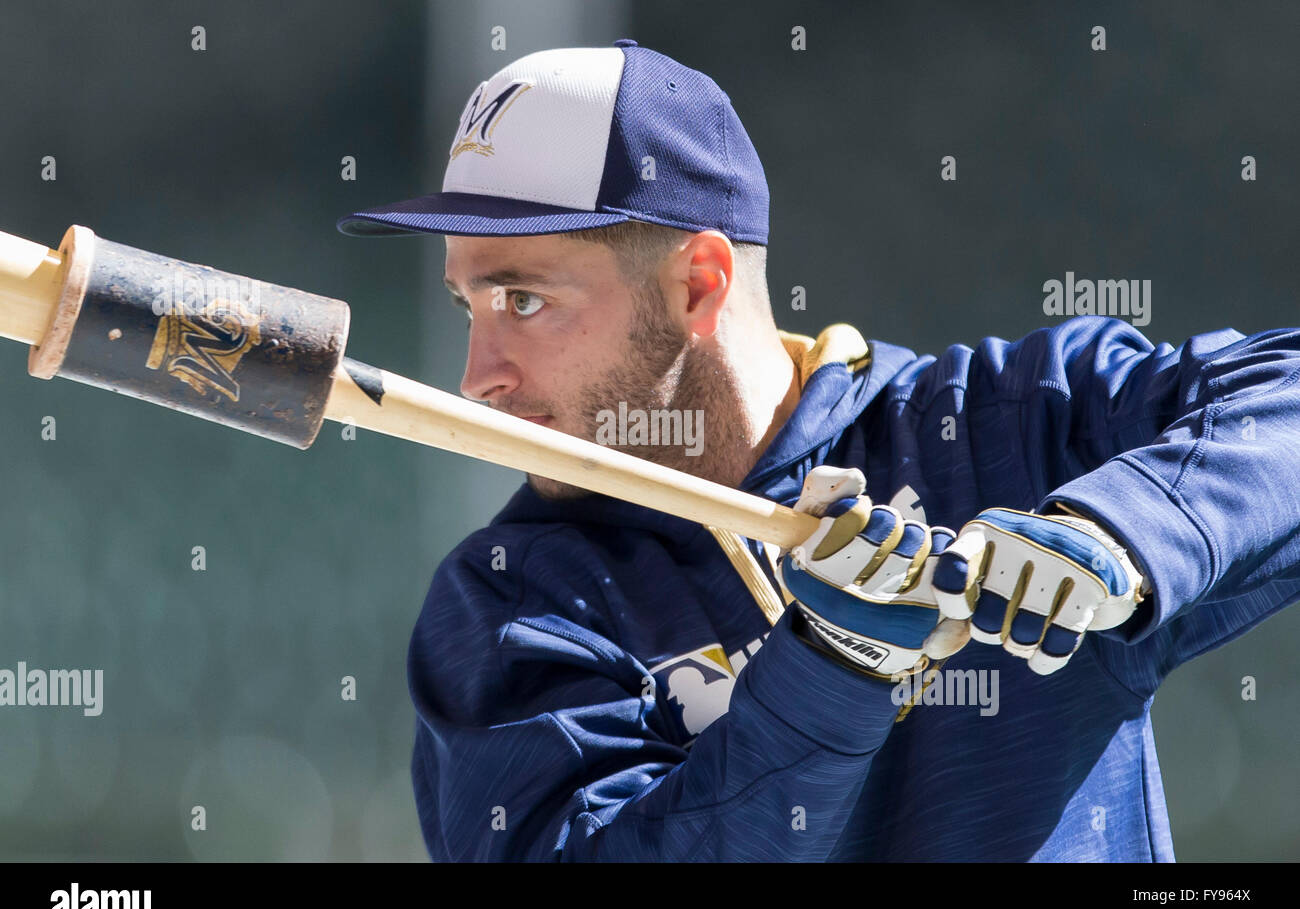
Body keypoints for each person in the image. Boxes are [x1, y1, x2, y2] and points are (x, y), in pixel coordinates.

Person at [338, 40, 1300, 861]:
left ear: (698, 286)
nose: (478, 378)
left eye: (524, 300)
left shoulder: (1005, 431)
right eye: (468, 306)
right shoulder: (513, 602)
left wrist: (1124, 531)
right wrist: (830, 669)